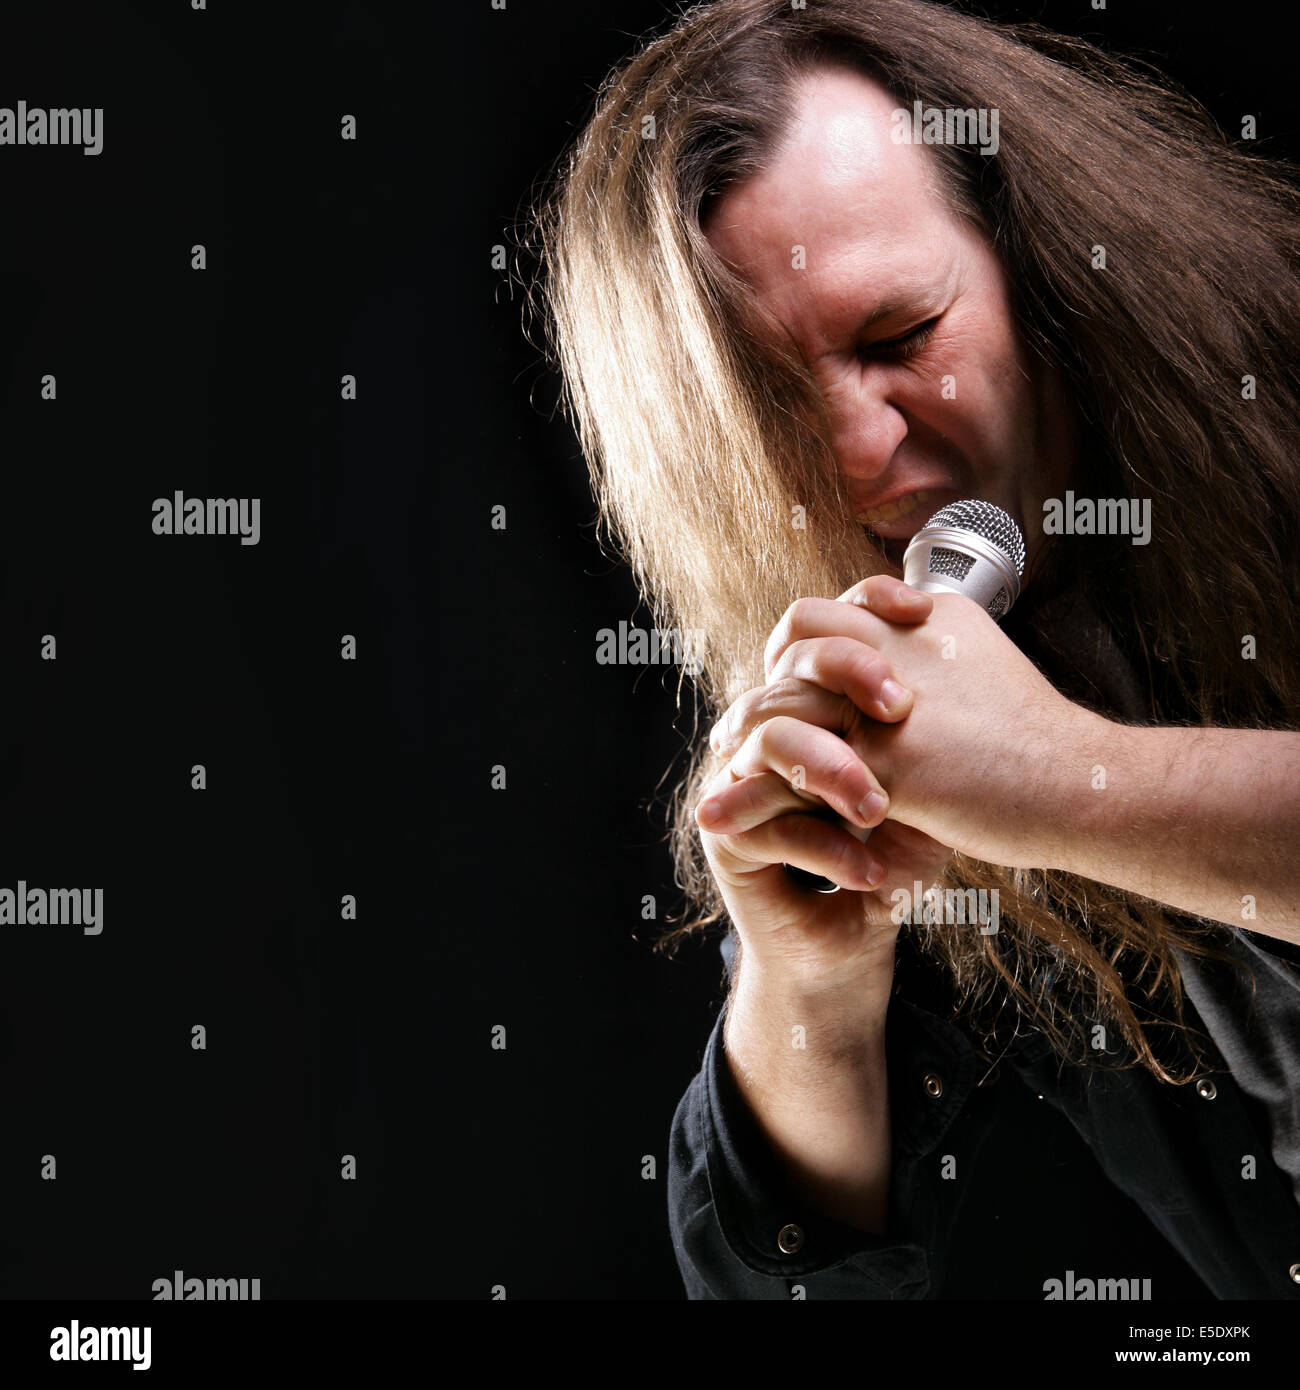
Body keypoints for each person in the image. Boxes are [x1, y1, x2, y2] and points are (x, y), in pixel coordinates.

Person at [525, 0, 1300, 1298]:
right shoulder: (893, 708)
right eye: (766, 410)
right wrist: (810, 993)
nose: (855, 456)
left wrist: (1067, 781)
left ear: (1044, 267)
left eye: (901, 340)